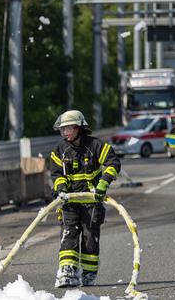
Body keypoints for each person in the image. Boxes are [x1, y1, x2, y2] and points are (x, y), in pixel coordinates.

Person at [48, 110, 121, 288]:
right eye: (62, 129)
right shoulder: (59, 150)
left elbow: (113, 163)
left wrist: (104, 182)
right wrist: (61, 188)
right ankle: (67, 272)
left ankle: (89, 274)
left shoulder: (96, 146)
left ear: (78, 127)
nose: (64, 132)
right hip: (69, 202)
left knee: (90, 239)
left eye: (68, 128)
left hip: (92, 202)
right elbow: (56, 174)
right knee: (69, 235)